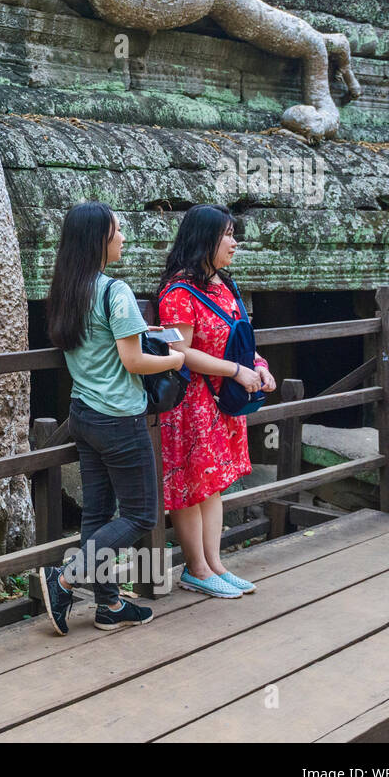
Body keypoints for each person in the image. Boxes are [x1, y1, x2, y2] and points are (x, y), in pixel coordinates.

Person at [37, 202, 186, 635]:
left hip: (83, 412)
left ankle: (108, 605)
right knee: (141, 514)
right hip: (119, 418)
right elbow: (134, 362)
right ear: (99, 240)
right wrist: (175, 358)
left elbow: (103, 343)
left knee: (97, 515)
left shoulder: (68, 289)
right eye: (117, 231)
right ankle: (63, 579)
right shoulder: (114, 291)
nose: (123, 238)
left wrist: (143, 333)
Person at [156, 205, 276, 598]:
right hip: (191, 402)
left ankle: (216, 565)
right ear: (205, 239)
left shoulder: (224, 285)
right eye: (226, 234)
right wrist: (235, 371)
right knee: (192, 485)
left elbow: (239, 340)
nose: (234, 241)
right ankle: (196, 569)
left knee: (213, 484)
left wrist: (257, 366)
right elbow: (180, 352)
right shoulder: (178, 292)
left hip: (219, 400)